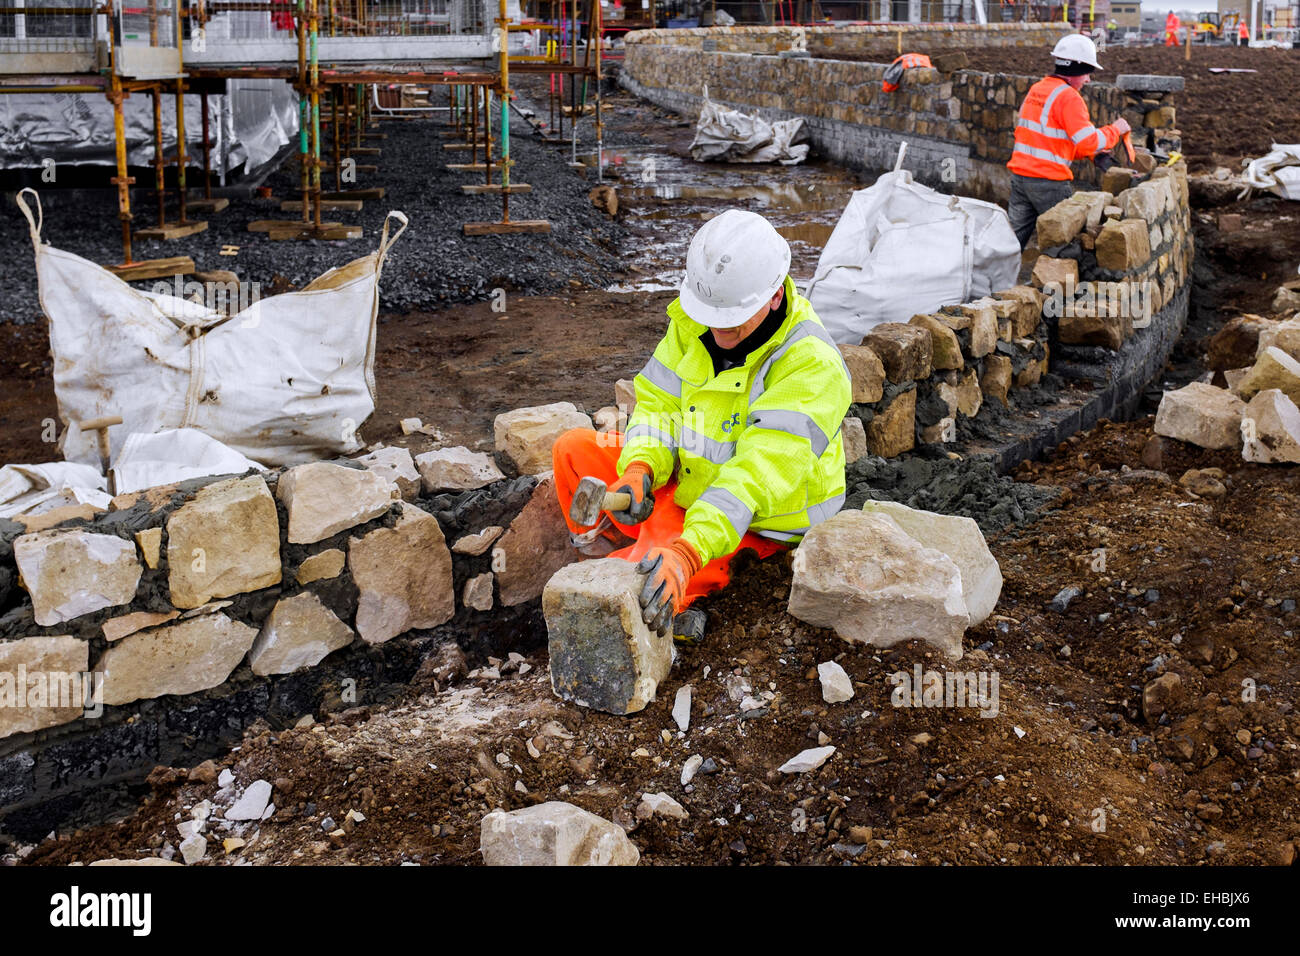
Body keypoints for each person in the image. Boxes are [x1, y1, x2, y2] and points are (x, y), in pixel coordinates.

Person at [551, 209, 852, 645]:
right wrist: (640, 468)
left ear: (774, 295)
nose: (717, 327)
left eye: (731, 316)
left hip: (754, 522)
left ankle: (660, 574)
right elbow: (658, 405)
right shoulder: (695, 321)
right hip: (691, 479)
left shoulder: (811, 365)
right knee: (573, 449)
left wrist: (688, 552)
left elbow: (753, 479)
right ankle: (605, 555)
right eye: (711, 312)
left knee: (652, 575)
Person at [1005, 34, 1131, 249]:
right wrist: (1116, 130)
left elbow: (1049, 140)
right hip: (1049, 182)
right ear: (1075, 71)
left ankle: (994, 271)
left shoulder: (1038, 89)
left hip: (1020, 178)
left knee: (1011, 243)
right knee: (1064, 245)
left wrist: (1090, 154)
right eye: (1087, 73)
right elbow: (1089, 141)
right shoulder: (1069, 97)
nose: (1088, 80)